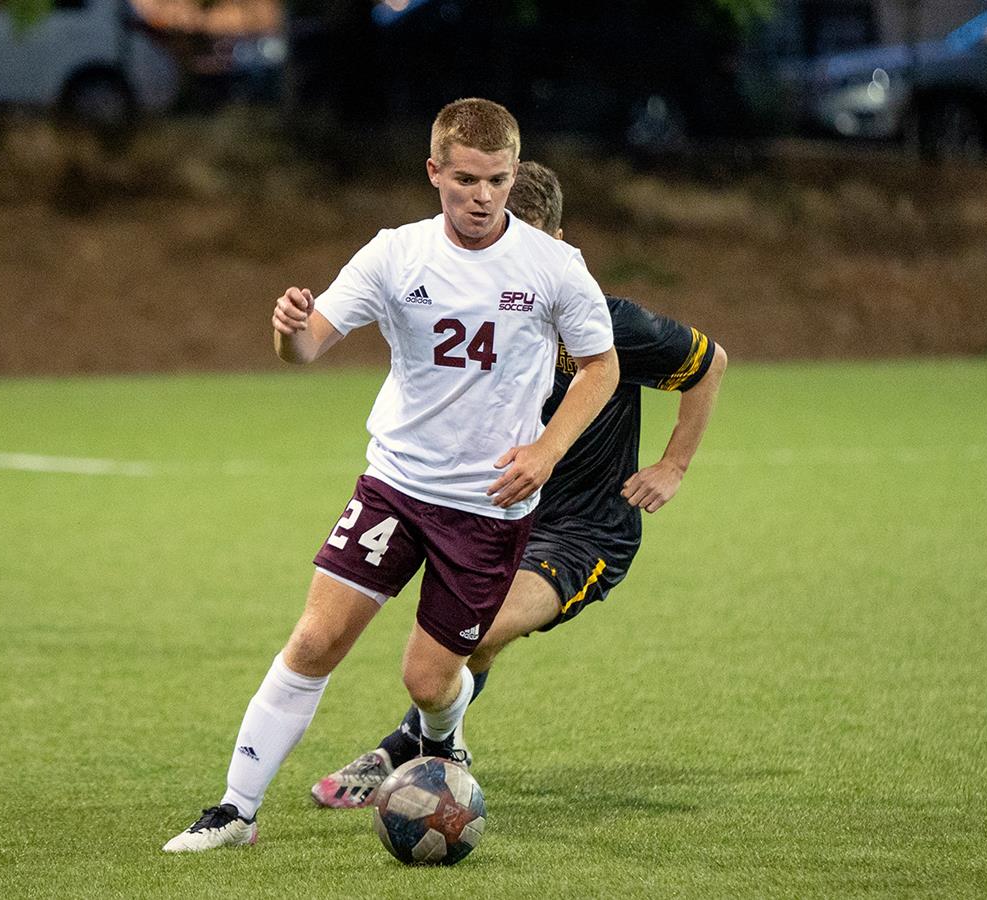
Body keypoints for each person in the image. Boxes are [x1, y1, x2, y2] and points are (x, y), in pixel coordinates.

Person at [163, 100, 621, 852]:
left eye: (498, 181)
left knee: (427, 681)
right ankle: (235, 810)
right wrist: (287, 332)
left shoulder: (552, 266)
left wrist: (545, 453)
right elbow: (309, 347)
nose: (482, 197)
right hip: (396, 487)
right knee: (313, 643)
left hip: (487, 510)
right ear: (434, 172)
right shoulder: (394, 254)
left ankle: (445, 741)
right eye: (465, 179)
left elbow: (600, 369)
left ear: (514, 176)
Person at [309, 161, 729, 808]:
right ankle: (429, 743)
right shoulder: (479, 314)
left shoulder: (604, 324)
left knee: (476, 632)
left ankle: (410, 747)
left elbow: (708, 363)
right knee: (464, 638)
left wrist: (673, 464)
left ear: (556, 242)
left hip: (584, 535)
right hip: (497, 520)